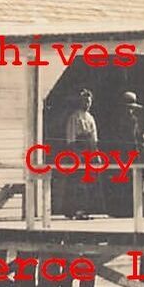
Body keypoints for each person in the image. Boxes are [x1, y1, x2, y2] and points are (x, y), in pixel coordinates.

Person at [107, 91, 144, 218]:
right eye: (127, 108)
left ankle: (130, 209)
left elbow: (137, 137)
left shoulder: (134, 120)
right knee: (120, 181)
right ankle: (119, 210)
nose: (129, 111)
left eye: (131, 108)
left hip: (132, 154)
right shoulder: (117, 121)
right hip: (121, 154)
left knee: (131, 181)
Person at [62, 88, 99, 218]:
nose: (87, 104)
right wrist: (75, 155)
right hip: (78, 151)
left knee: (88, 182)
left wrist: (96, 154)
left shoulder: (90, 117)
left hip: (89, 151)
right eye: (85, 101)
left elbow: (94, 138)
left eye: (89, 101)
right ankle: (73, 209)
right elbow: (71, 139)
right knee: (76, 181)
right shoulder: (74, 117)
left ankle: (84, 209)